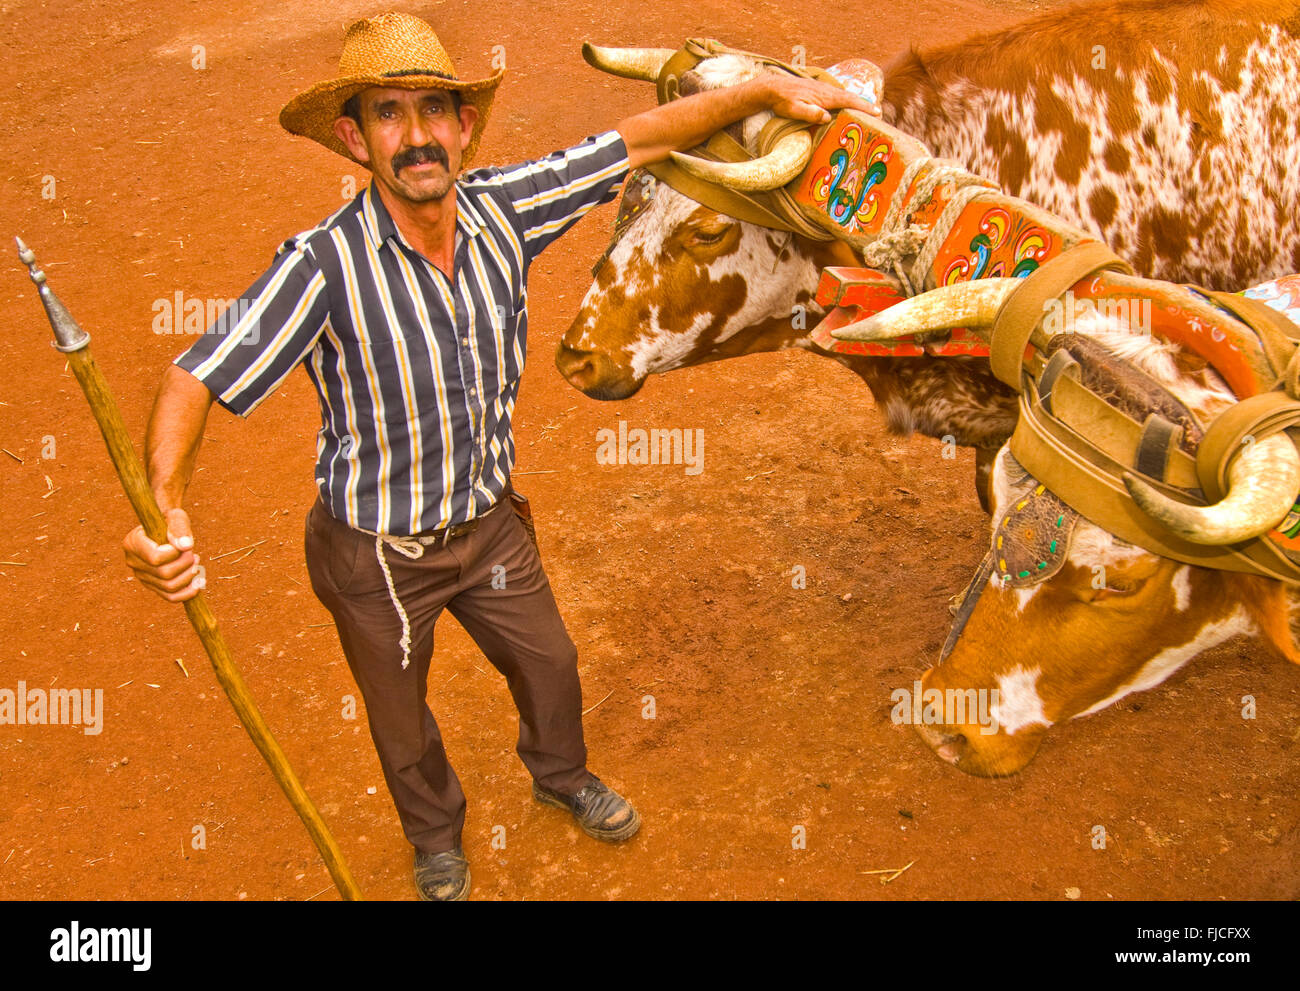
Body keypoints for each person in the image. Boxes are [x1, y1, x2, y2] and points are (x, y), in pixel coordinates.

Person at [122, 11, 871, 900]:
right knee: (401, 721)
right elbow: (193, 377)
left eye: (435, 109)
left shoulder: (506, 210)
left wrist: (766, 90)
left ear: (465, 125)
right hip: (377, 556)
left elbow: (631, 141)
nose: (418, 136)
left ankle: (561, 775)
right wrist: (165, 506)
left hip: (488, 524)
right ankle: (436, 837)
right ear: (353, 139)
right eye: (388, 114)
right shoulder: (321, 266)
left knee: (549, 662)